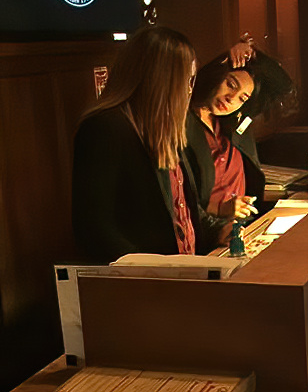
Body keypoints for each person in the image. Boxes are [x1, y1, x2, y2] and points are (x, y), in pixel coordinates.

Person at [72, 25, 228, 264]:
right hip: (147, 279)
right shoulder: (105, 127)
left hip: (181, 273)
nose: (189, 90)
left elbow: (183, 211)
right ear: (159, 79)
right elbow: (94, 229)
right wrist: (151, 269)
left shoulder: (170, 126)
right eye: (185, 80)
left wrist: (220, 230)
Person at [186, 36, 294, 225]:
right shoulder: (182, 123)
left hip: (245, 222)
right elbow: (178, 199)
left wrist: (252, 53)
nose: (231, 98)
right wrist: (218, 208)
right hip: (209, 228)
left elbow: (283, 86)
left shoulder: (235, 121)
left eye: (242, 98)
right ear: (217, 75)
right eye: (231, 85)